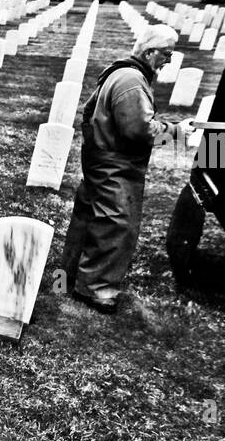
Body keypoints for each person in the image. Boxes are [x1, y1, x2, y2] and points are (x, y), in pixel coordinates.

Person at [62, 24, 180, 314]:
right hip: (116, 164)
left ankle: (67, 279)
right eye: (166, 54)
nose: (168, 61)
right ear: (150, 52)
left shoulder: (119, 72)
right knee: (116, 225)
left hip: (101, 158)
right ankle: (97, 290)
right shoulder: (131, 80)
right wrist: (175, 132)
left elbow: (90, 114)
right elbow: (138, 131)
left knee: (87, 218)